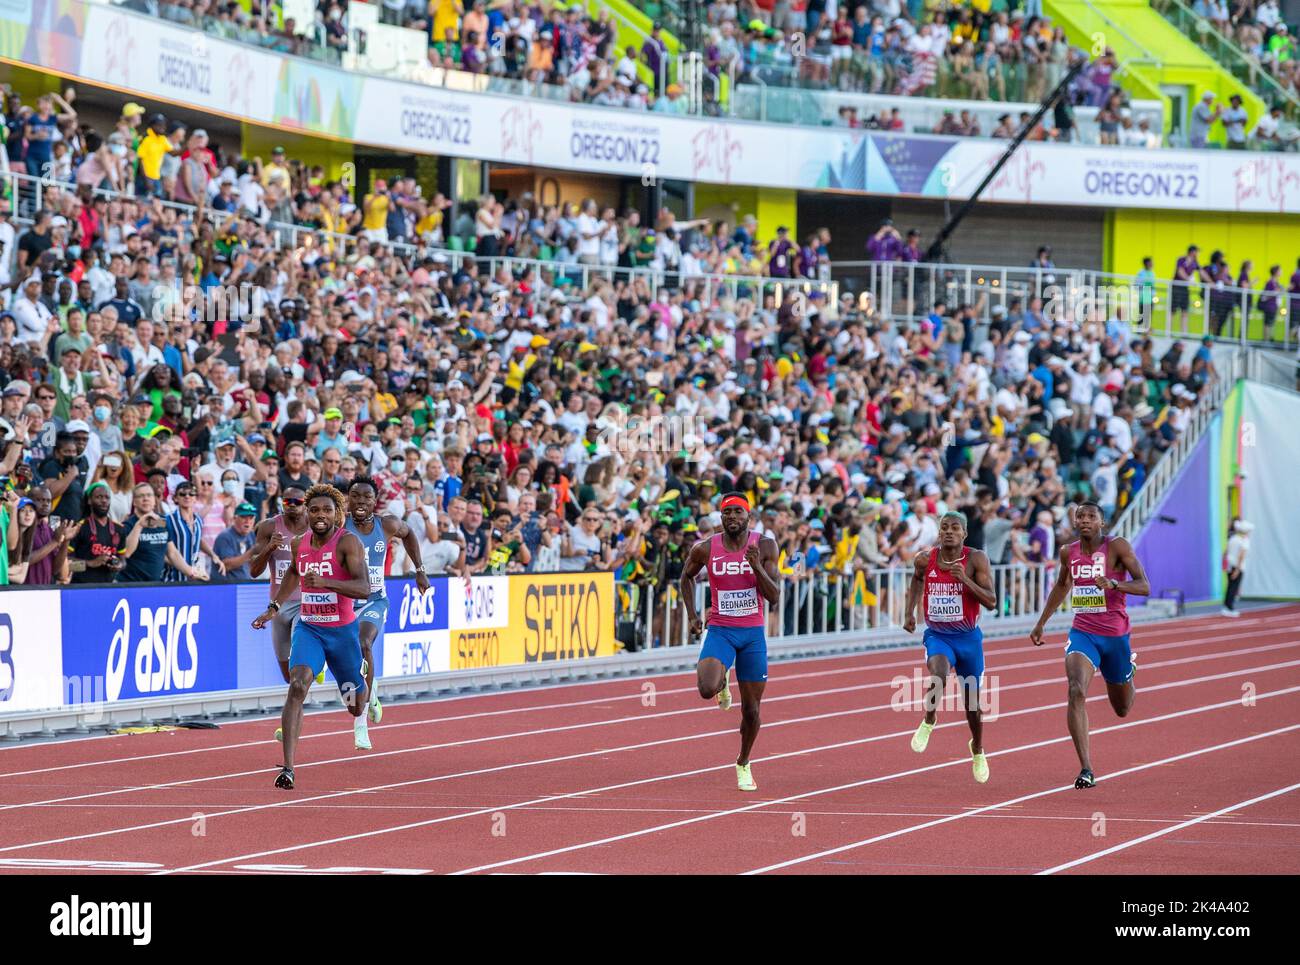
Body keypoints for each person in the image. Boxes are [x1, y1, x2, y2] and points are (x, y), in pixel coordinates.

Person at [252, 485, 372, 790]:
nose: (320, 516)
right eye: (315, 510)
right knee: (297, 684)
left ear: (336, 514)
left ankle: (362, 678)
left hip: (342, 633)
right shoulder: (298, 543)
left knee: (356, 707)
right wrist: (274, 606)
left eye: (327, 511)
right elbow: (293, 571)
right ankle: (288, 768)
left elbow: (363, 588)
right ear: (307, 511)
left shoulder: (348, 543)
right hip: (310, 629)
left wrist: (327, 582)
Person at [1030, 501, 1150, 789]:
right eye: (1080, 516)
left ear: (1101, 523)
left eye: (1091, 516)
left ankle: (1128, 672)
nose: (1085, 520)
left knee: (1122, 708)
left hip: (1116, 635)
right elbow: (1061, 586)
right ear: (1074, 522)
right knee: (1075, 690)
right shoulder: (1067, 553)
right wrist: (1041, 621)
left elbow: (1144, 585)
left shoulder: (1117, 546)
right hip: (1083, 632)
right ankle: (1086, 768)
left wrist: (1113, 584)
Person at [679, 492, 780, 792]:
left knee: (751, 711)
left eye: (738, 512)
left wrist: (756, 566)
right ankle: (722, 681)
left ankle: (743, 762)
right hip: (721, 629)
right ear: (721, 517)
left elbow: (774, 596)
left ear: (748, 516)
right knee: (706, 688)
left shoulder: (764, 545)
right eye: (727, 513)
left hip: (752, 635)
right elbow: (686, 577)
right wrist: (693, 615)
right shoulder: (706, 548)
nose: (732, 517)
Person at [903, 511, 997, 783]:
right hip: (938, 635)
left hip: (969, 639)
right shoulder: (925, 559)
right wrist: (910, 612)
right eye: (944, 527)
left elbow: (991, 601)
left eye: (955, 528)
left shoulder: (976, 559)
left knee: (973, 706)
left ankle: (977, 749)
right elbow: (917, 579)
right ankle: (929, 720)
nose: (948, 532)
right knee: (939, 673)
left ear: (964, 534)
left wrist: (965, 580)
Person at [343, 476, 430, 750]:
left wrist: (419, 570)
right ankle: (373, 688)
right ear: (348, 498)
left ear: (374, 501)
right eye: (355, 496)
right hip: (343, 602)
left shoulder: (387, 524)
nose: (360, 502)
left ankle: (361, 726)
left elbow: (410, 534)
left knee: (363, 643)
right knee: (348, 662)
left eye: (366, 497)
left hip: (374, 601)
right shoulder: (338, 524)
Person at [248, 485, 310, 699]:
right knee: (287, 675)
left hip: (307, 602)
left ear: (306, 504)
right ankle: (300, 690)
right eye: (287, 502)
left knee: (300, 647)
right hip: (278, 606)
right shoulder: (268, 527)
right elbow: (254, 571)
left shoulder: (315, 526)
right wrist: (269, 549)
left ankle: (314, 663)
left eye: (298, 502)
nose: (292, 506)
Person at [215, 502, 260, 581]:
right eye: (243, 517)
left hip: (245, 584)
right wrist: (251, 552)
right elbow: (226, 565)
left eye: (251, 517)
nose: (248, 521)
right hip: (226, 586)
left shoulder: (251, 535)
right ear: (234, 518)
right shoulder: (225, 536)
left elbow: (253, 563)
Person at [1222, 519, 1251, 617]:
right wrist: (1238, 569)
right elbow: (1241, 555)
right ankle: (1229, 608)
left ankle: (1226, 606)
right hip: (1237, 566)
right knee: (1234, 587)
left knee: (1230, 586)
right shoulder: (1244, 540)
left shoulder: (1233, 538)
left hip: (1230, 565)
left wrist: (1224, 564)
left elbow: (1225, 552)